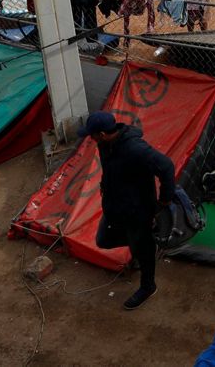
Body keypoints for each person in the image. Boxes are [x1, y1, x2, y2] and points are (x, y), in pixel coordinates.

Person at [80, 111, 175, 310]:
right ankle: (145, 246)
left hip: (136, 210)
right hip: (115, 206)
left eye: (92, 135)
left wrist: (164, 200)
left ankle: (148, 286)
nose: (90, 139)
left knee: (141, 245)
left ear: (102, 134)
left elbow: (166, 167)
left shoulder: (135, 149)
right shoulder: (105, 145)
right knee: (103, 240)